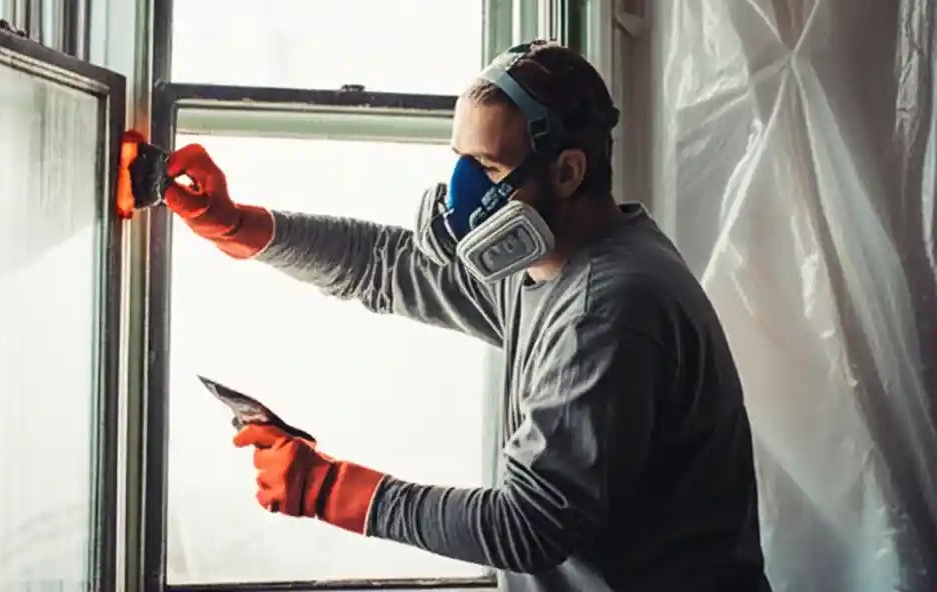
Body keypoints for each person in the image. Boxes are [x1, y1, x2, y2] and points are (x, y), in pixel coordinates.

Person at [162, 40, 771, 591]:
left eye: (489, 169)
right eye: (461, 161)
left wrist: (327, 489)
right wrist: (239, 227)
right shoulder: (558, 262)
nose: (462, 195)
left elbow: (527, 527)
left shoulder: (604, 309)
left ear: (567, 172)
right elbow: (386, 265)